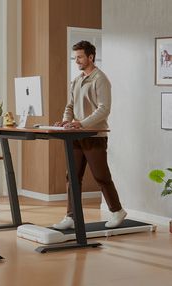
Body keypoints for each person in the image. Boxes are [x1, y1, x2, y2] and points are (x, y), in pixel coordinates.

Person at [53, 40, 127, 230]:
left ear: (90, 57)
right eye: (75, 57)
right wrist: (65, 121)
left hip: (94, 136)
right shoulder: (77, 80)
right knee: (72, 177)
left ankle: (117, 211)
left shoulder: (100, 79)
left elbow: (104, 109)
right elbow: (69, 105)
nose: (76, 60)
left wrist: (81, 124)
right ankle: (71, 216)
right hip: (75, 136)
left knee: (101, 176)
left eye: (79, 57)